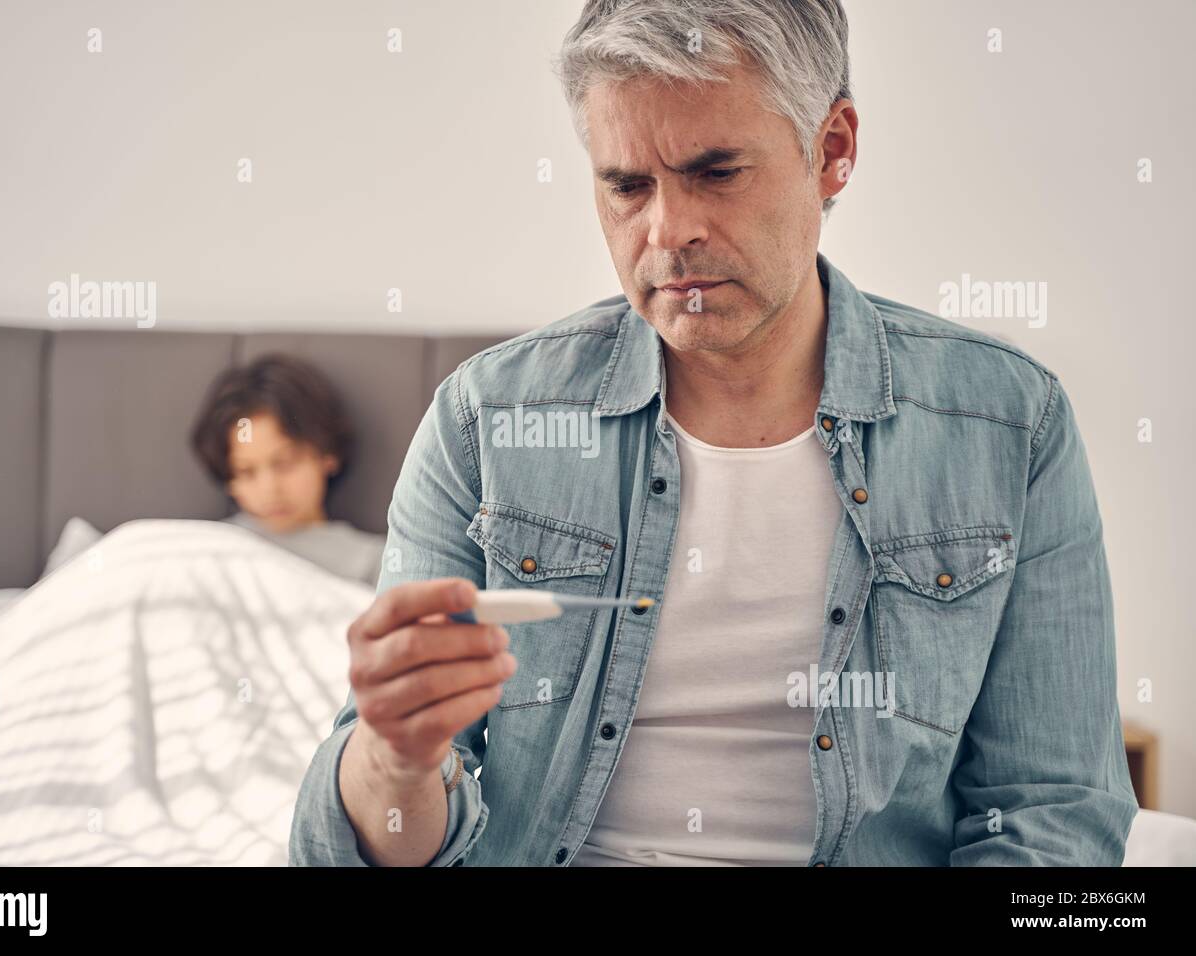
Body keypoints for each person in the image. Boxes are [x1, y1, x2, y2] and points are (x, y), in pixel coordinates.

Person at [289, 0, 1137, 866]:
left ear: (832, 149)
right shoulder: (488, 423)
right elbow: (351, 850)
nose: (667, 232)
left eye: (717, 171)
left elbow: (1054, 813)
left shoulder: (1006, 424)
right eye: (627, 185)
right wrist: (394, 762)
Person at [190, 354, 385, 589]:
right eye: (246, 472)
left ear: (327, 455)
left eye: (285, 463)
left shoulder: (374, 561)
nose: (269, 490)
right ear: (229, 480)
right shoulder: (207, 548)